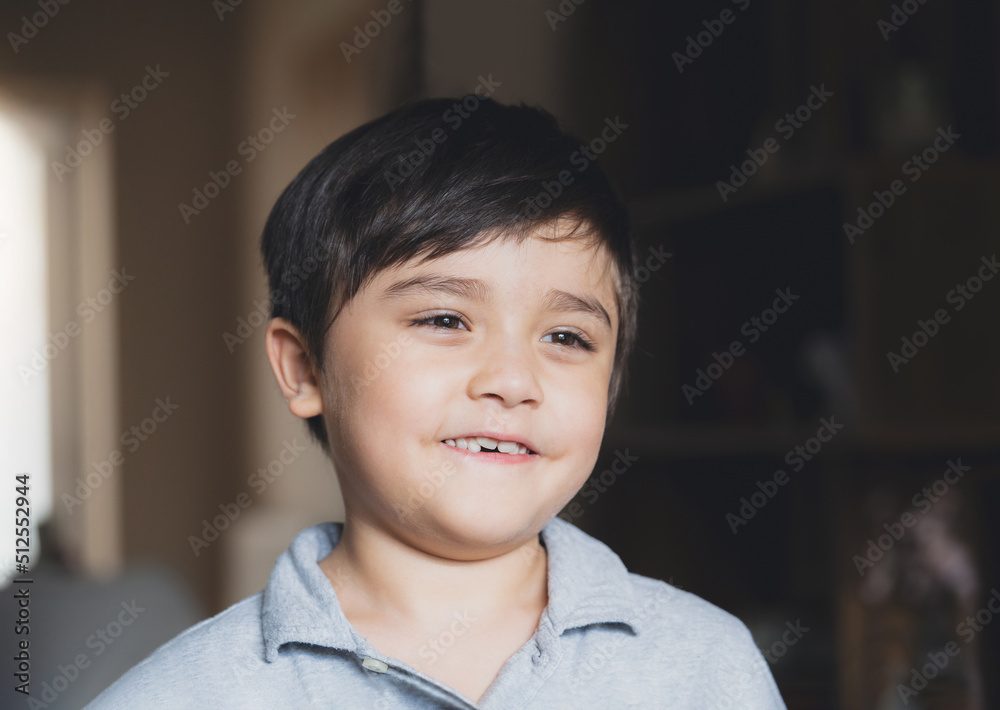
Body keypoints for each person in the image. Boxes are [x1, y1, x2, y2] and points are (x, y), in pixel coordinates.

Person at [87, 96, 785, 708]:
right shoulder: (185, 694)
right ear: (304, 370)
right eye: (444, 320)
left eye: (567, 336)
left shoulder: (704, 669)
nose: (514, 380)